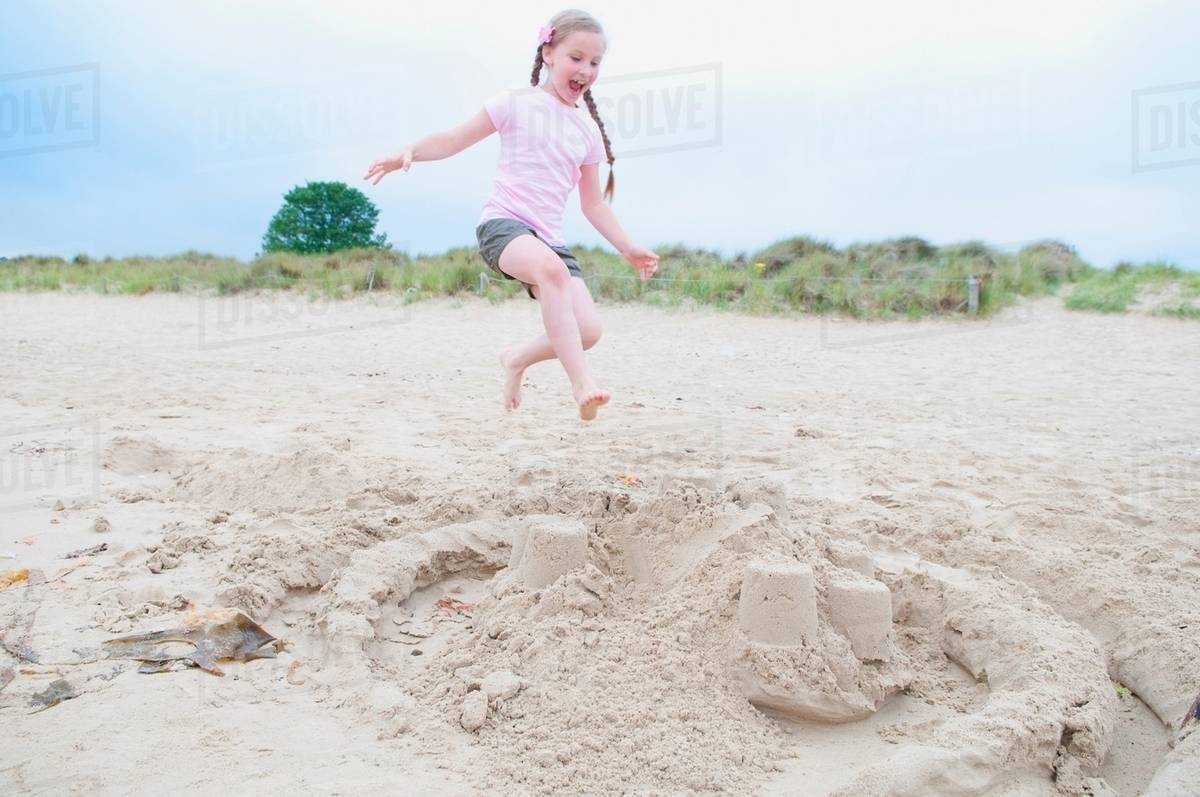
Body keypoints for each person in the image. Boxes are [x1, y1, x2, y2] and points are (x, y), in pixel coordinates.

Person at [363, 9, 658, 421]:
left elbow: (592, 204)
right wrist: (410, 151)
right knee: (553, 273)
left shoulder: (587, 131)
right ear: (549, 52)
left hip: (548, 240)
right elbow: (452, 140)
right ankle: (581, 384)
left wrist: (627, 247)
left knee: (588, 330)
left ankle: (516, 357)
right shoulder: (515, 103)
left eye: (595, 63)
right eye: (576, 57)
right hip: (503, 225)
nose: (586, 70)